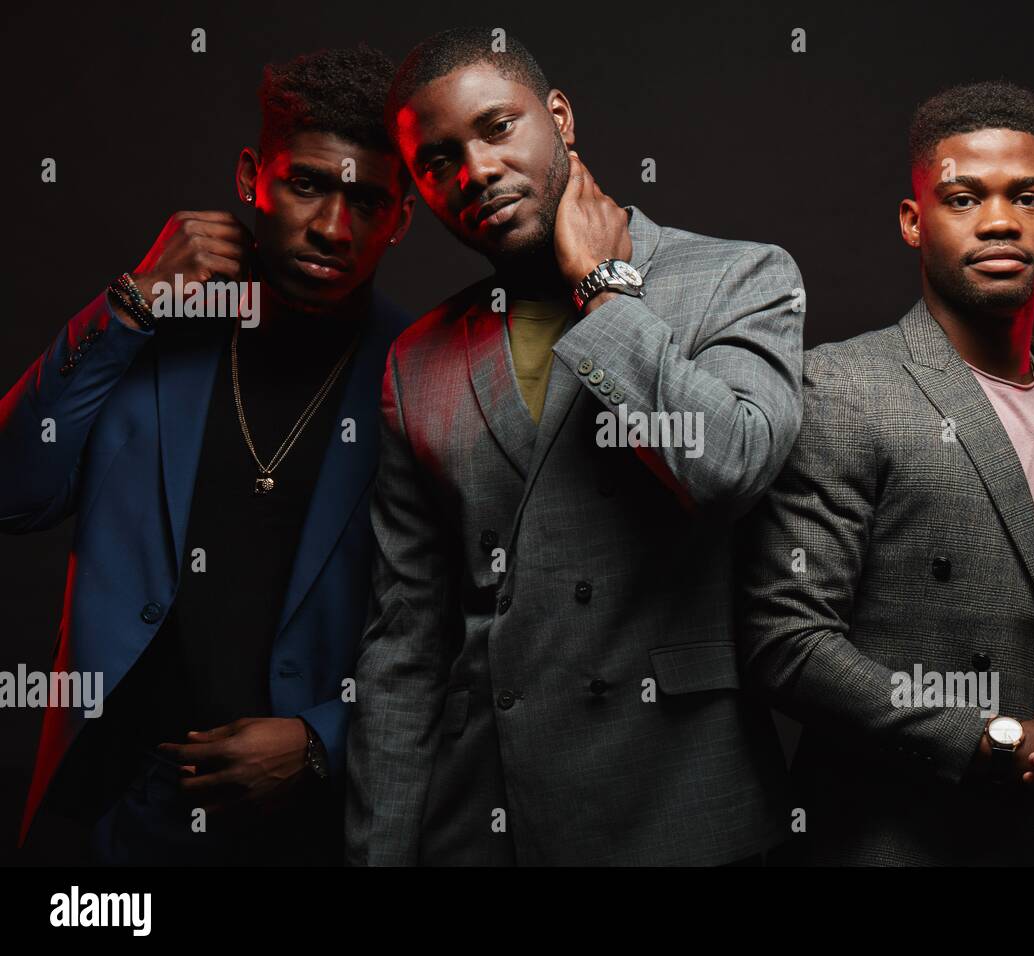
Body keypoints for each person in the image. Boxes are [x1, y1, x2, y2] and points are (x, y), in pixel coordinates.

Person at [345, 27, 805, 866]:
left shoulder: (739, 277)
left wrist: (604, 292)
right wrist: (381, 850)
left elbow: (729, 464)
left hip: (685, 806)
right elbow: (404, 641)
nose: (476, 171)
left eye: (496, 128)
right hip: (486, 816)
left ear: (558, 116)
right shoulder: (418, 359)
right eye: (437, 161)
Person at [738, 81, 1034, 865]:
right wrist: (1002, 739)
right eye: (964, 197)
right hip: (894, 841)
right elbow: (789, 641)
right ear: (914, 222)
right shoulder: (842, 388)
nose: (1000, 220)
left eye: (1027, 197)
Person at [1, 45, 415, 864]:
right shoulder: (151, 333)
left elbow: (460, 636)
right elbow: (13, 493)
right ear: (250, 176)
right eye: (306, 184)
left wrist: (318, 739)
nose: (334, 227)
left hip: (309, 827)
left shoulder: (423, 375)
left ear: (400, 219)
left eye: (367, 201)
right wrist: (128, 306)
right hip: (110, 809)